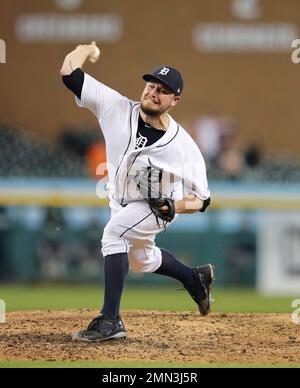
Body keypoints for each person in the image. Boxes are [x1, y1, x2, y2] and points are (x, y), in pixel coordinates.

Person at [60, 42, 214, 343]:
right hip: (119, 201)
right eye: (151, 85)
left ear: (175, 100)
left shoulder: (183, 146)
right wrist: (85, 50)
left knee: (113, 234)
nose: (153, 92)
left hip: (155, 208)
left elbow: (203, 199)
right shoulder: (116, 108)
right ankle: (193, 277)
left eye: (163, 89)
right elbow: (68, 72)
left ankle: (110, 320)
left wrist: (176, 205)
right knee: (141, 261)